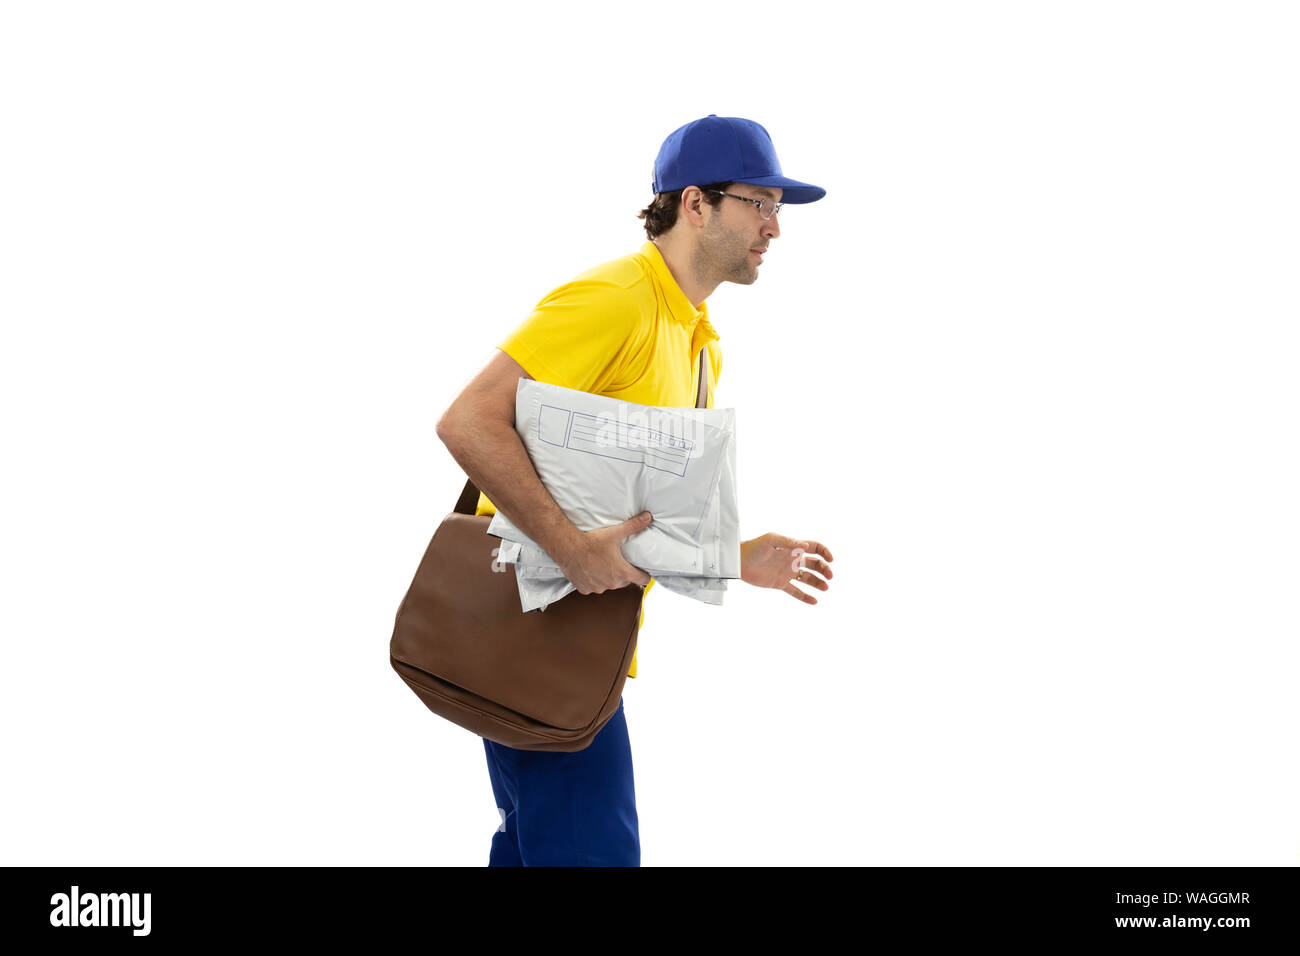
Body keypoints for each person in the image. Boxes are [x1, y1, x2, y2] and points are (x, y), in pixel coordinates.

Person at [435, 114, 835, 866]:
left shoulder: (695, 336)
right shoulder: (617, 299)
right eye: (760, 203)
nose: (775, 227)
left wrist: (735, 557)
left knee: (530, 849)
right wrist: (569, 550)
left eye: (778, 209)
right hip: (541, 638)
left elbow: (626, 511)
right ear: (695, 203)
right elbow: (468, 421)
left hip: (574, 646)